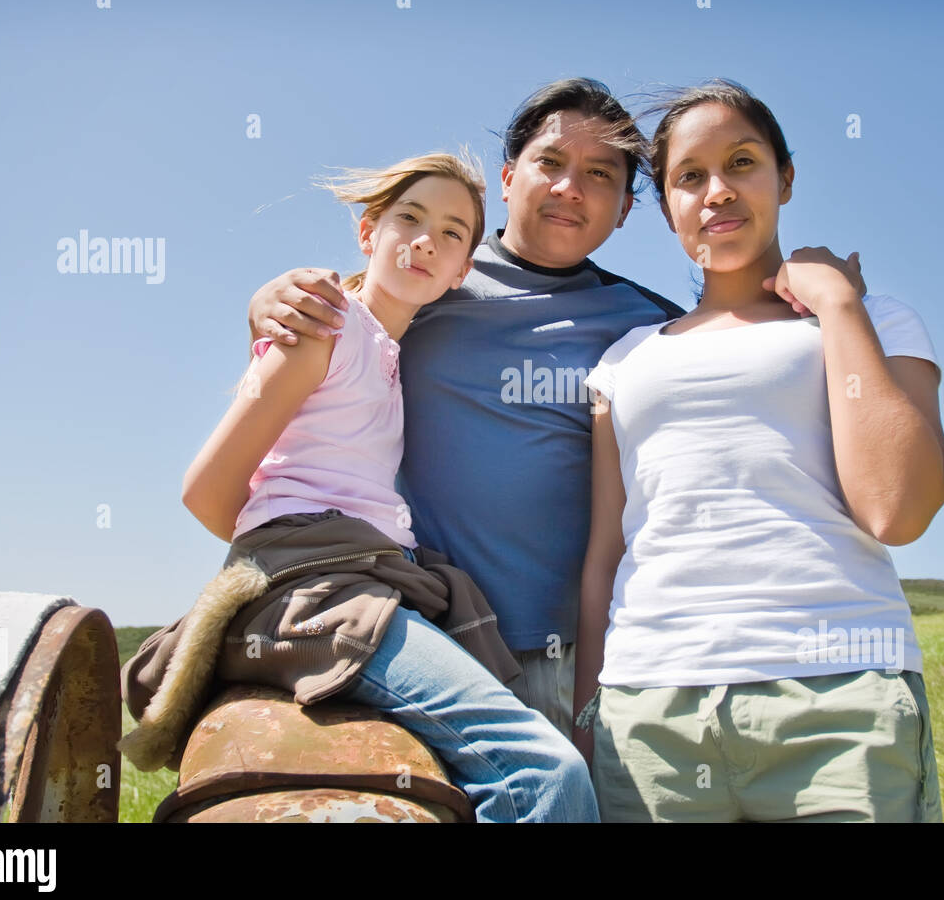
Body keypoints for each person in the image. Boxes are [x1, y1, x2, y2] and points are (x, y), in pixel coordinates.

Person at [135, 152, 598, 822]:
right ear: (366, 233)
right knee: (544, 771)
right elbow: (205, 490)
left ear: (463, 268)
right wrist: (294, 547)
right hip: (318, 590)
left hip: (373, 579)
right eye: (408, 218)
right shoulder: (327, 322)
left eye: (450, 233)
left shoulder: (391, 350)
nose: (425, 242)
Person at [245, 80, 689, 737]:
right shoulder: (431, 278)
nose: (571, 187)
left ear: (624, 209)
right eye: (550, 163)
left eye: (599, 175)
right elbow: (325, 349)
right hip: (424, 636)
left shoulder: (651, 326)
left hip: (587, 654)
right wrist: (265, 302)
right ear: (508, 179)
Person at [573, 79, 944, 822]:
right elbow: (604, 555)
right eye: (689, 177)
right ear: (667, 206)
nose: (717, 191)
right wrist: (588, 717)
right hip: (649, 711)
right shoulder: (621, 361)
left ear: (785, 177)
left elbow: (897, 510)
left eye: (741, 163)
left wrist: (838, 303)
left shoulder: (875, 319)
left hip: (839, 695)